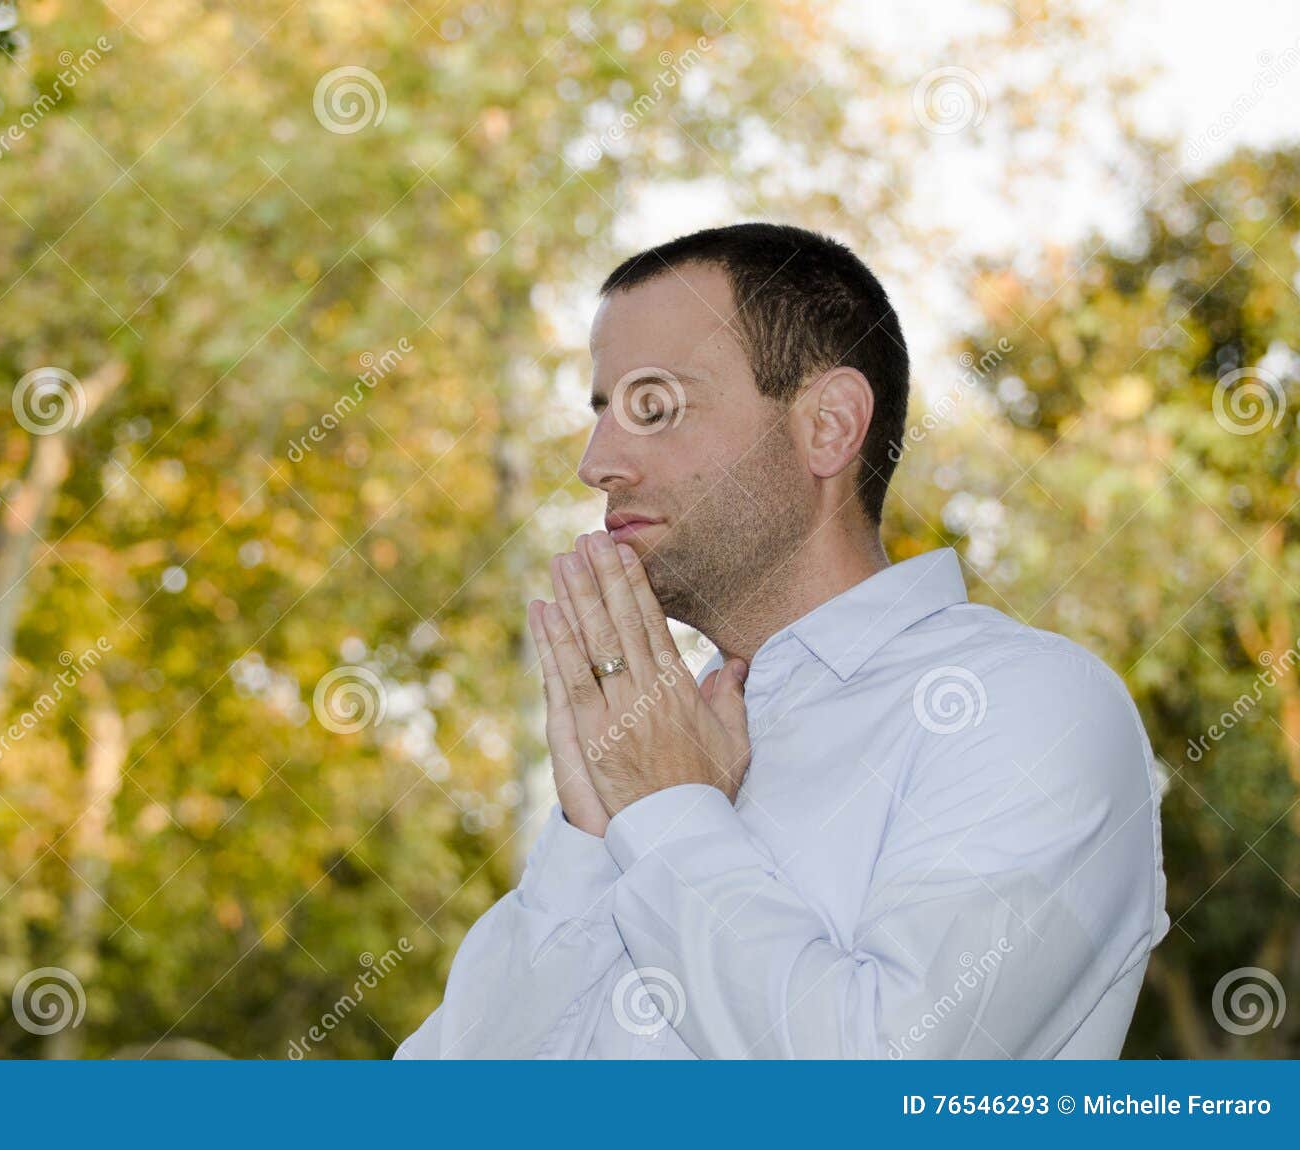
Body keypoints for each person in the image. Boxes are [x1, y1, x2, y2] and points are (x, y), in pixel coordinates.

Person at [396, 223, 1169, 1059]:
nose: (597, 461)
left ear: (829, 426)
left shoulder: (1029, 706)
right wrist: (589, 842)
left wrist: (665, 816)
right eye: (600, 411)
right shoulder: (660, 739)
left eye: (653, 406)